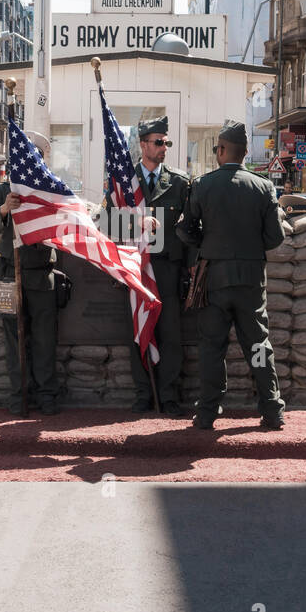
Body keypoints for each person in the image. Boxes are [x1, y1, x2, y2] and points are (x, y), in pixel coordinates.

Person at [182, 122, 285, 431]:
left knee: (212, 347)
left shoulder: (203, 184)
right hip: (252, 281)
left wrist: (208, 244)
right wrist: (250, 248)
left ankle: (207, 414)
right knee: (257, 345)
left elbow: (185, 230)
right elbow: (275, 237)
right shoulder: (263, 186)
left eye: (216, 149)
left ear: (223, 150)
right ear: (244, 153)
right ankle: (271, 410)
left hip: (214, 280)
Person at [0, 131, 60, 416]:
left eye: (34, 160)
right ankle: (20, 395)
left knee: (44, 340)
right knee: (13, 340)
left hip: (41, 273)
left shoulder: (50, 190)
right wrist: (5, 209)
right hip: (9, 274)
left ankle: (46, 396)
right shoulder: (4, 191)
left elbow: (62, 223)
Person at [129, 115, 194, 416]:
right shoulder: (124, 181)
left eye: (166, 142)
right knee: (139, 332)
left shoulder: (179, 183)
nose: (163, 147)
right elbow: (107, 223)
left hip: (168, 270)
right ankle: (144, 394)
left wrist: (190, 268)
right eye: (158, 142)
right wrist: (136, 222)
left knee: (171, 336)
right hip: (137, 269)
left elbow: (192, 229)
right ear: (143, 145)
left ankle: (168, 396)